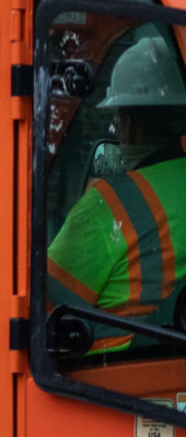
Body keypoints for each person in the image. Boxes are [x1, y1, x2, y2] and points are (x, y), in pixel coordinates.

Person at [46, 30, 186, 353]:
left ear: (128, 122)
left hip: (107, 386)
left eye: (117, 120)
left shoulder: (109, 205)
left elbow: (40, 307)